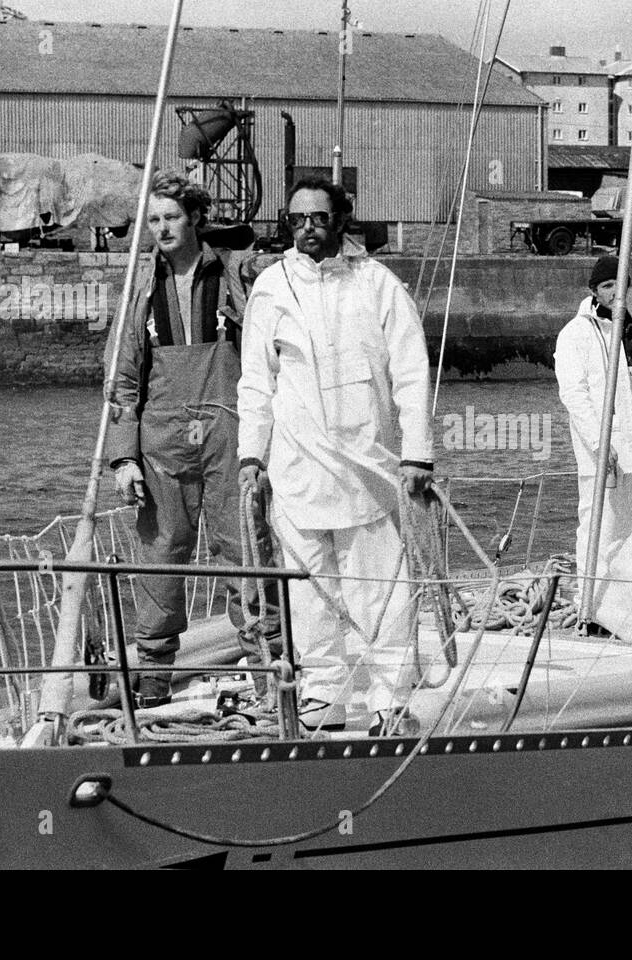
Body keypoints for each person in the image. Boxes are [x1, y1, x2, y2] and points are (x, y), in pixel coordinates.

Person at [237, 176, 433, 734]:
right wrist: (252, 455)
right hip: (295, 464)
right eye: (297, 220)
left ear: (341, 220)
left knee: (380, 592)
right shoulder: (271, 288)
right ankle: (325, 698)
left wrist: (417, 455)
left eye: (319, 219)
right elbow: (256, 381)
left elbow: (411, 372)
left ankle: (389, 699)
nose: (307, 230)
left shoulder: (376, 284)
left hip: (365, 467)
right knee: (310, 593)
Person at [106, 170, 279, 708]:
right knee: (160, 558)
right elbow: (123, 381)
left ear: (196, 218)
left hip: (229, 436)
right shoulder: (140, 291)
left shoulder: (233, 275)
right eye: (153, 220)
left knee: (246, 553)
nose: (161, 228)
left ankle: (272, 681)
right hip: (161, 445)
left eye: (171, 217)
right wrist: (122, 459)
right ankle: (154, 684)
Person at [555, 255, 632, 613]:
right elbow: (574, 395)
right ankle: (590, 603)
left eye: (620, 284)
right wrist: (601, 443)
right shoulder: (575, 334)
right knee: (599, 526)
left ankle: (628, 604)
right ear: (594, 292)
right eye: (606, 286)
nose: (615, 292)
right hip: (603, 449)